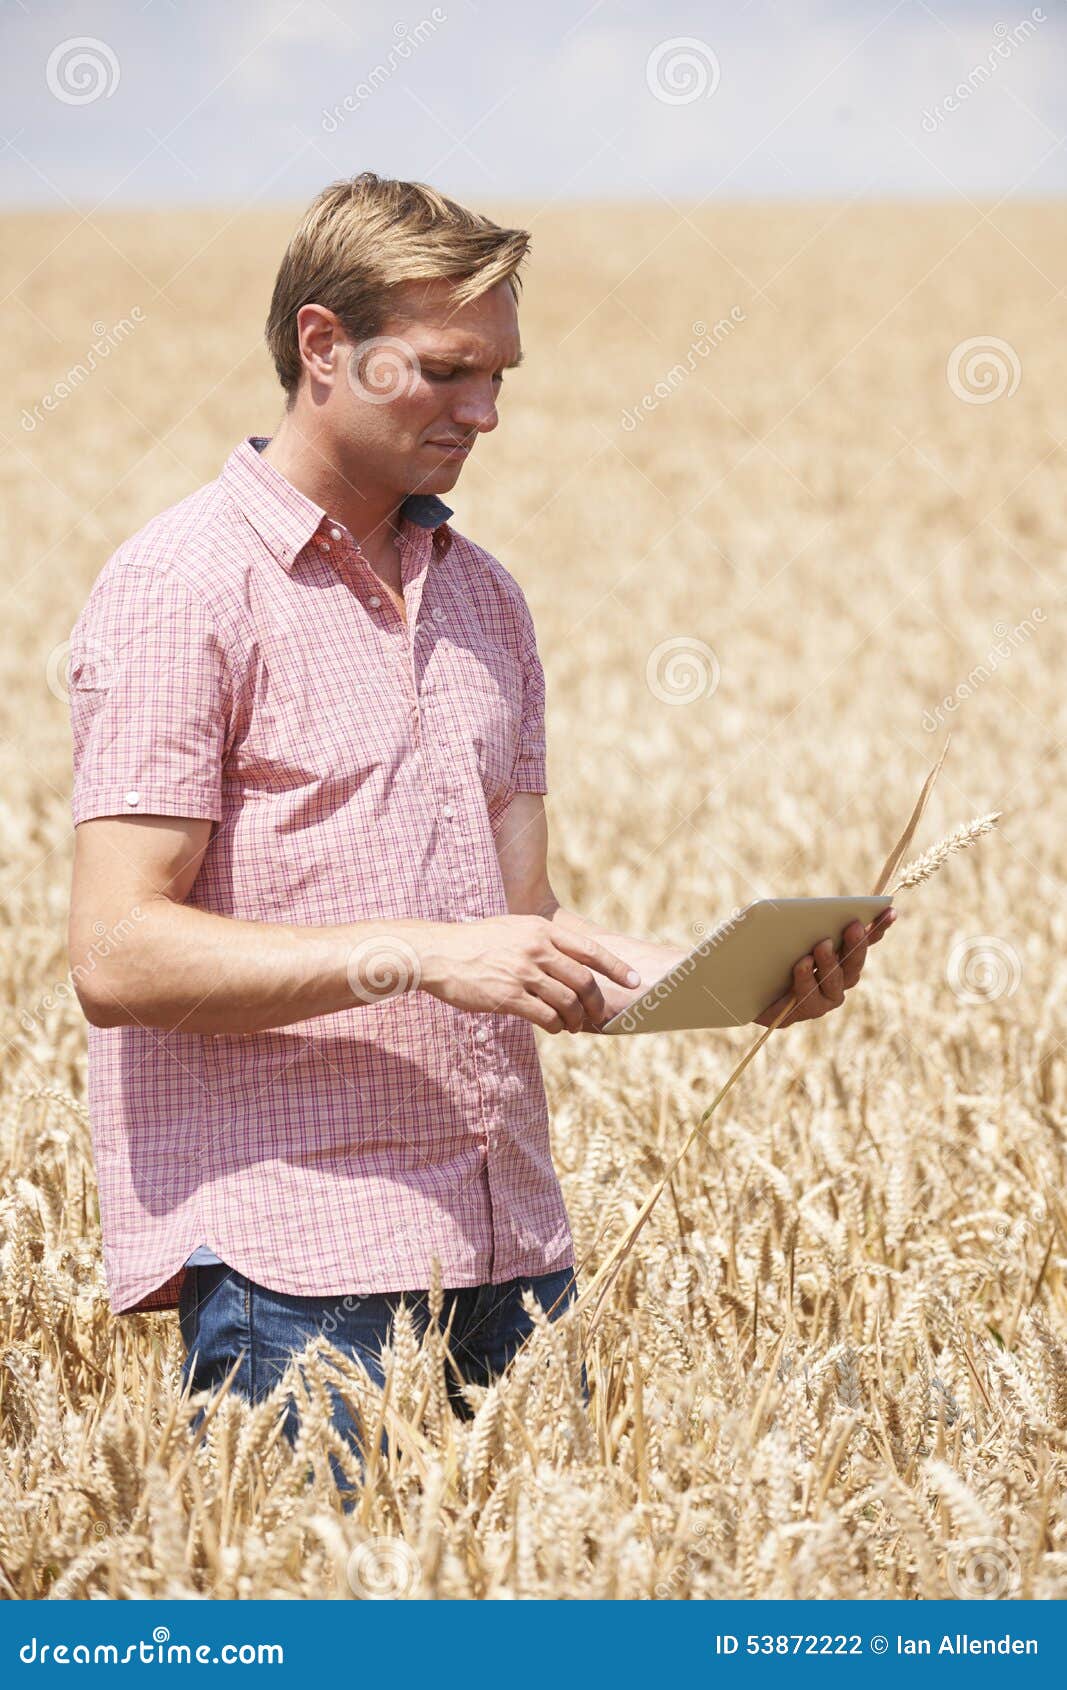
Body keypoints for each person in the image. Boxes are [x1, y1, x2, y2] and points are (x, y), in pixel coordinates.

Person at [66, 172, 894, 1483]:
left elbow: (523, 934)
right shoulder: (181, 589)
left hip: (511, 1257)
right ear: (323, 346)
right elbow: (118, 953)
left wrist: (734, 984)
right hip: (302, 1276)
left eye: (503, 374)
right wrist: (423, 952)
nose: (489, 412)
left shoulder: (486, 600)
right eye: (452, 370)